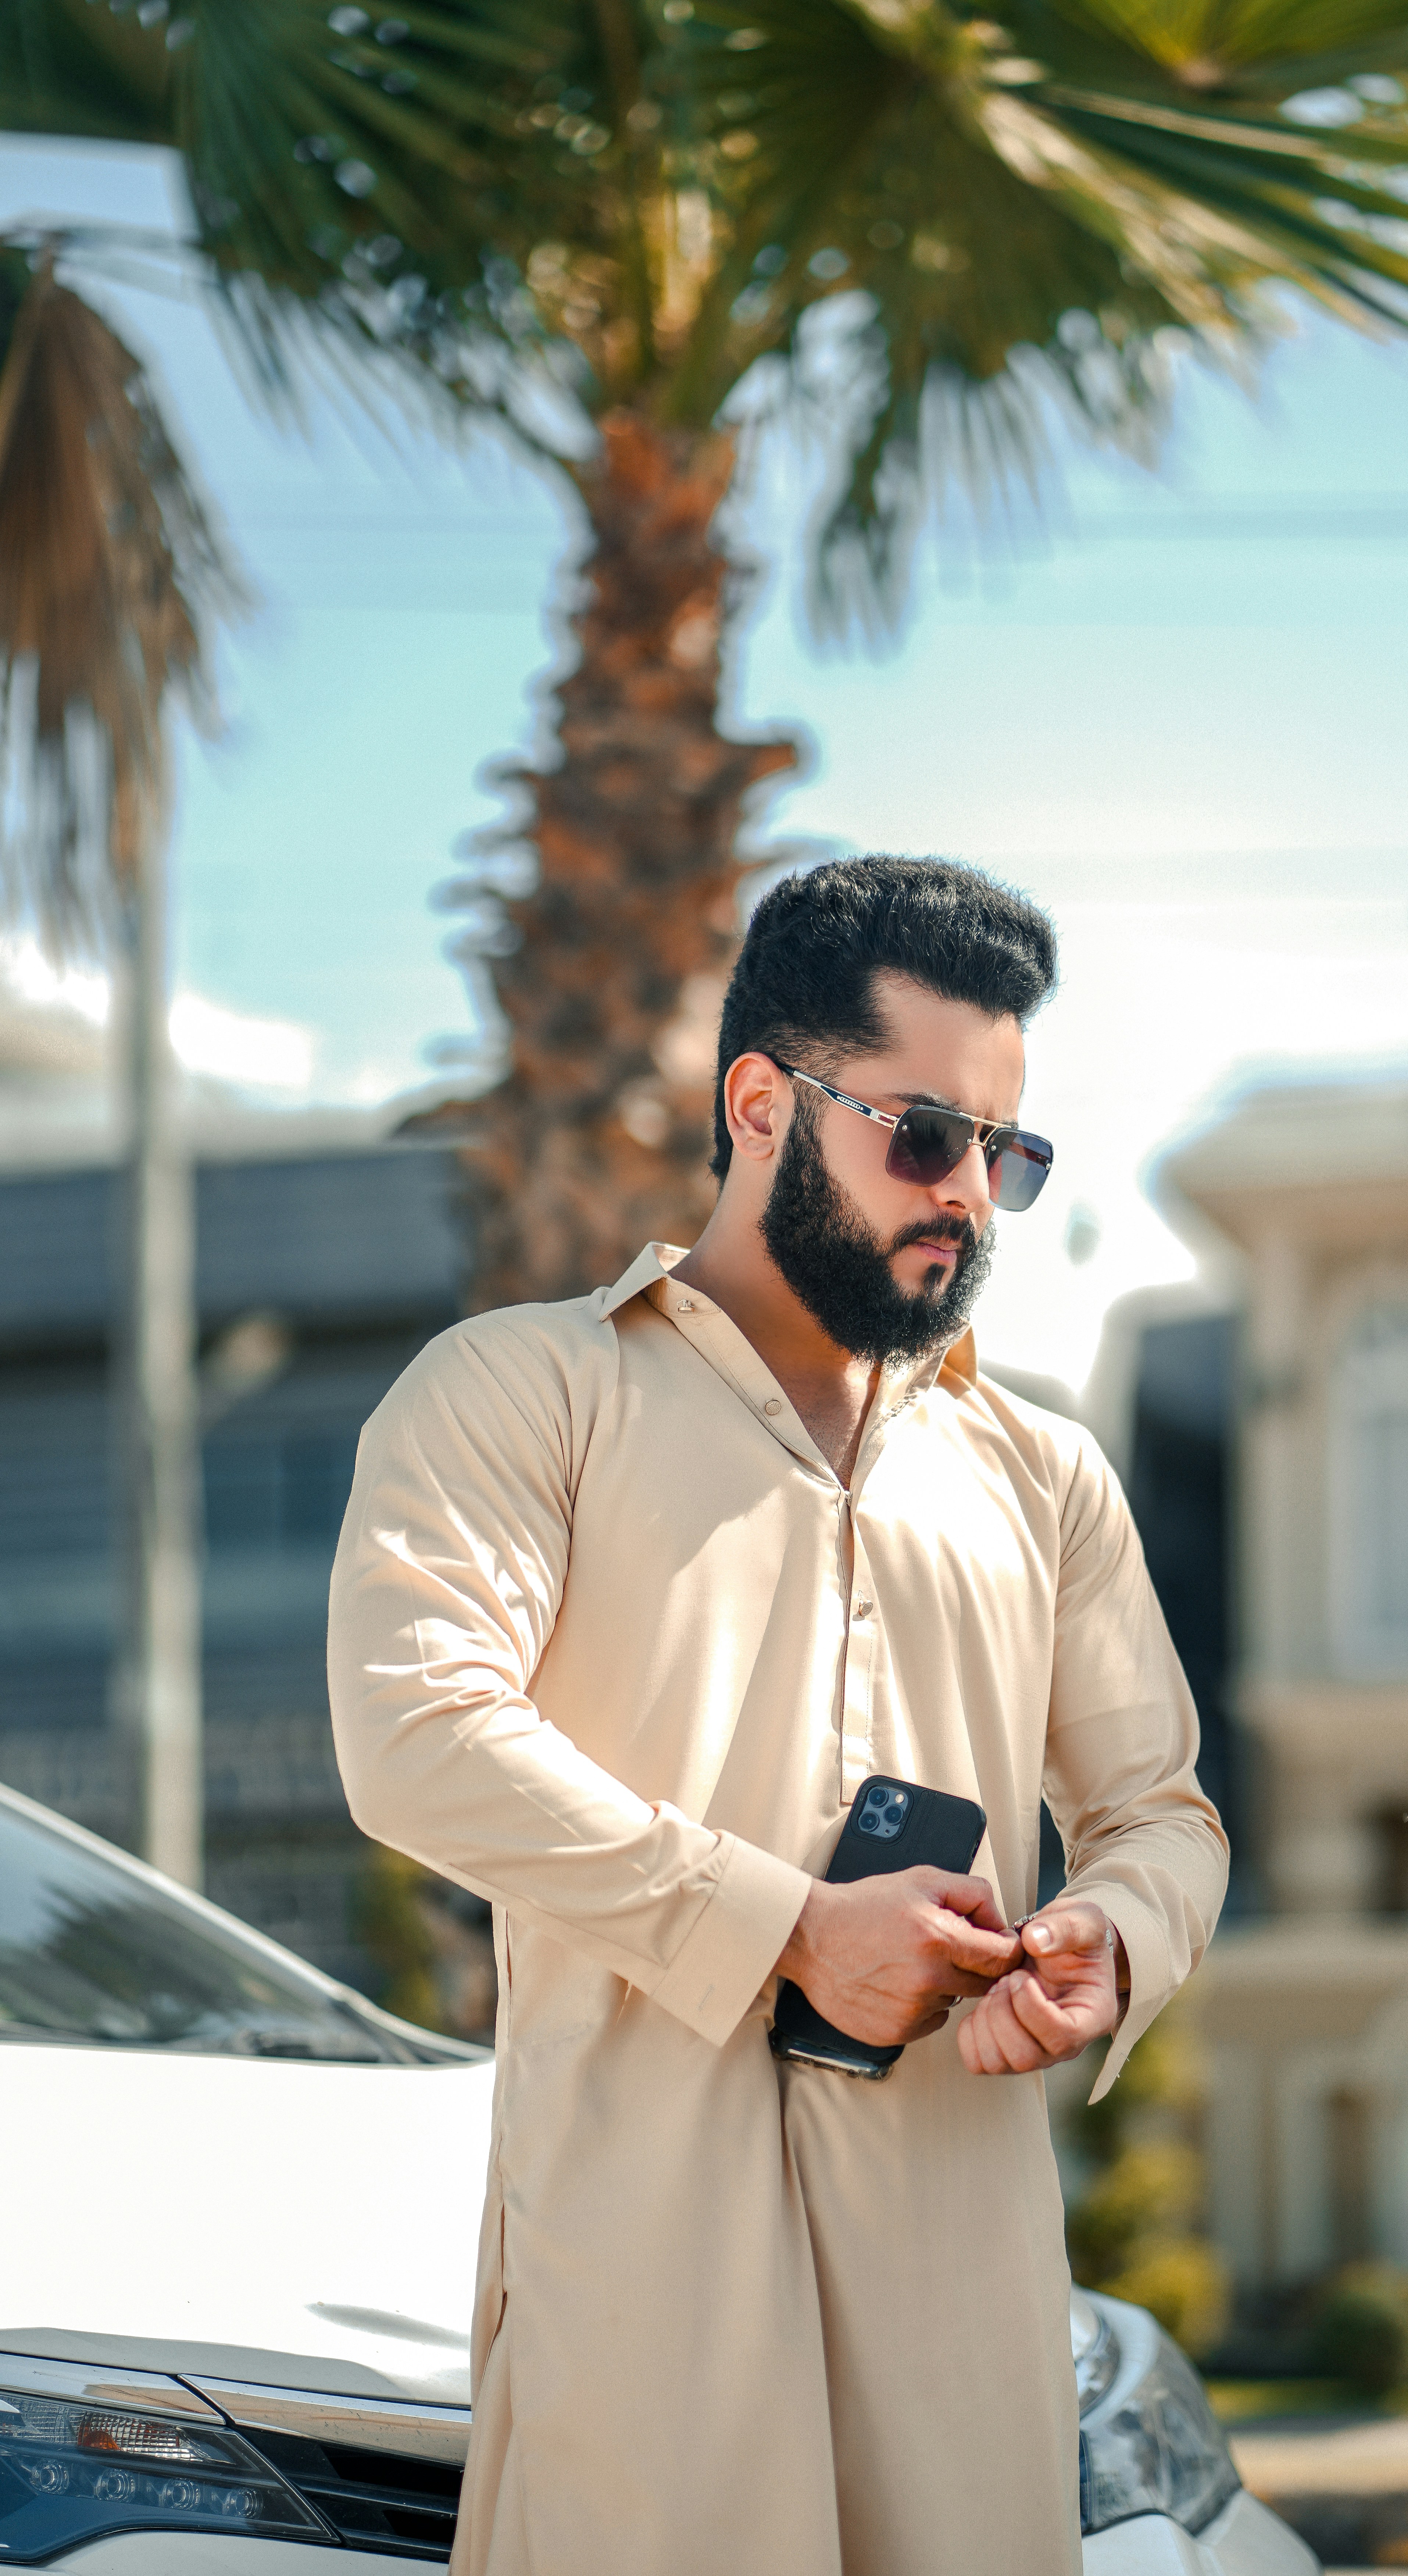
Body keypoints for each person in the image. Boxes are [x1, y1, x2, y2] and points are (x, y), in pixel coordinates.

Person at [328, 855, 1227, 2576]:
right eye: (923, 1135)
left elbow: (1159, 1816)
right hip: (645, 2324)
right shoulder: (527, 1394)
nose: (966, 1195)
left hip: (967, 2335)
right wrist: (791, 1931)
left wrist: (1109, 1941)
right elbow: (416, 1731)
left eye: (1005, 1154)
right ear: (759, 1106)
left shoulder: (1046, 1477)